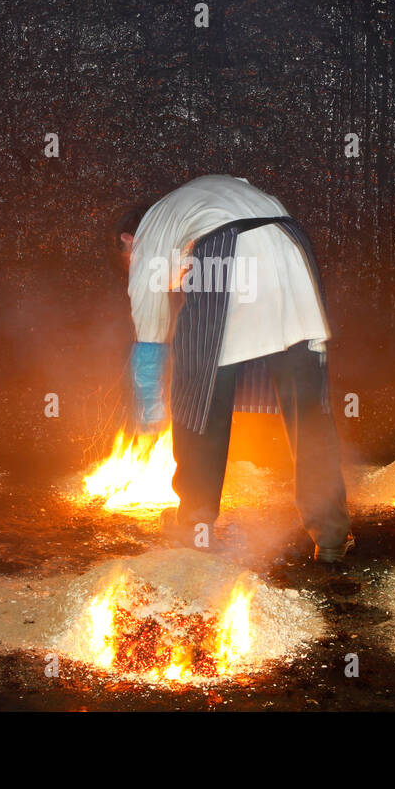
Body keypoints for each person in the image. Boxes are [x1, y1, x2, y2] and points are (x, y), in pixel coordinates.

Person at [116, 174, 354, 563]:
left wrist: (148, 408)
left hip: (225, 251)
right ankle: (331, 537)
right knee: (308, 407)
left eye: (127, 260)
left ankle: (195, 527)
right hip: (291, 245)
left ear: (129, 241)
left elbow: (150, 331)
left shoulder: (149, 234)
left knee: (198, 396)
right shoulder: (203, 197)